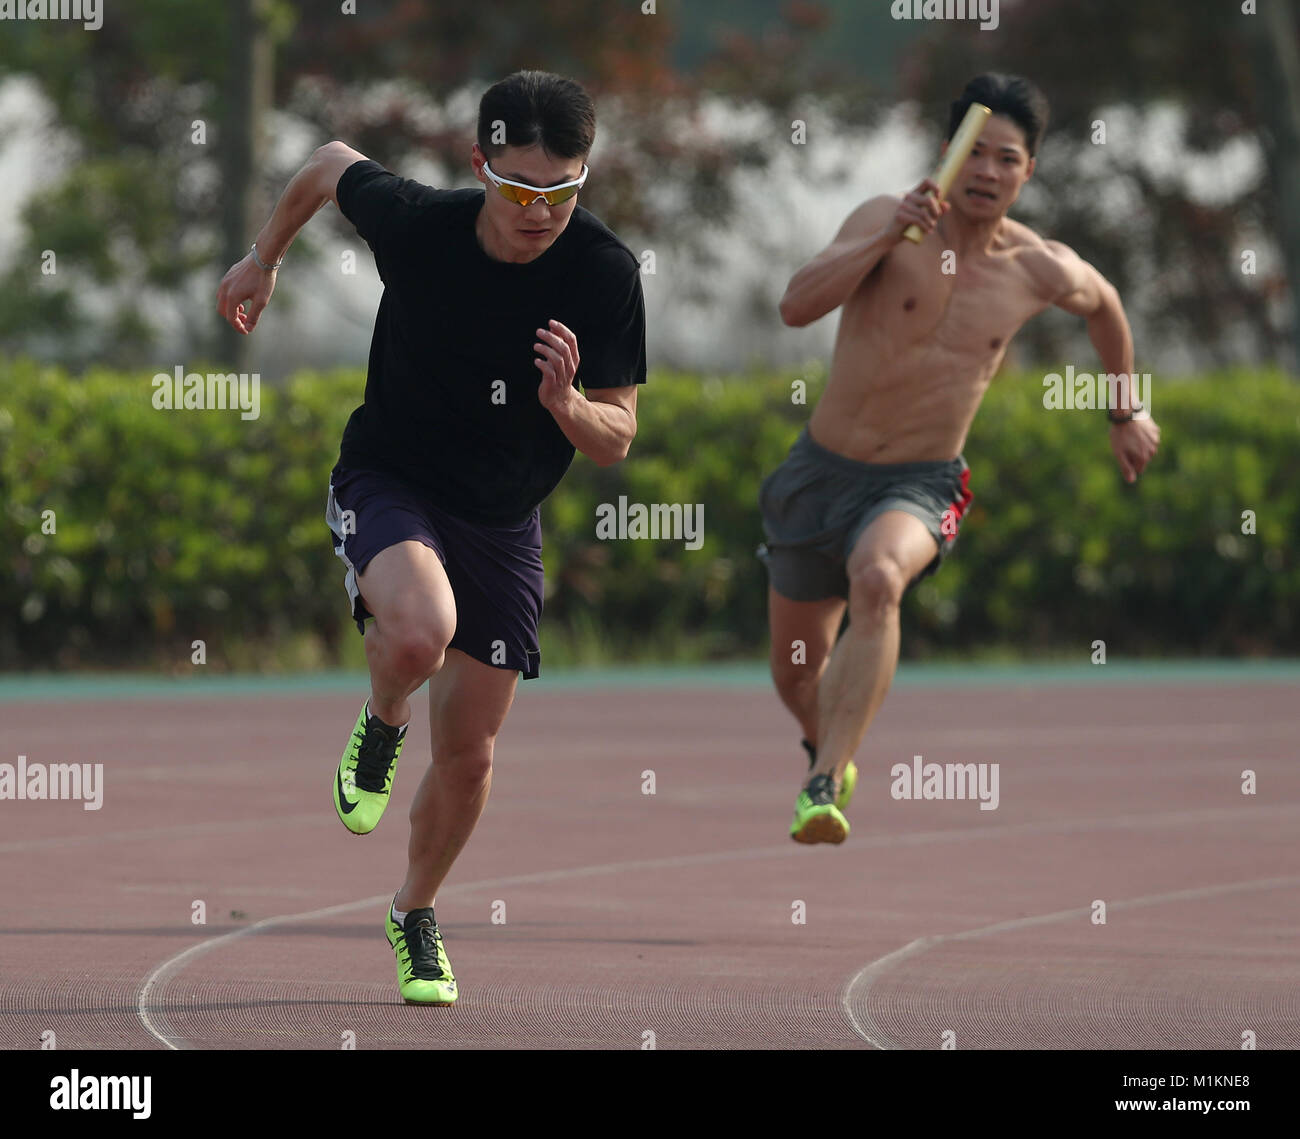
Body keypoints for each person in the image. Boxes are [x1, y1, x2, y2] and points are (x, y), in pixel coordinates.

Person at [216, 70, 647, 1002]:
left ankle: (414, 912)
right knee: (419, 632)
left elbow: (618, 435)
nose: (541, 211)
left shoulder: (605, 272)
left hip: (502, 515)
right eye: (522, 188)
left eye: (562, 191)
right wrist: (264, 258)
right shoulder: (419, 225)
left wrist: (568, 405)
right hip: (393, 477)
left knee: (473, 755)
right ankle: (381, 722)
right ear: (482, 164)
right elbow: (331, 164)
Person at [761, 73, 1160, 844]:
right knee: (795, 674)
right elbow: (796, 304)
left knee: (878, 580)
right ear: (946, 155)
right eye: (973, 153)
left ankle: (821, 783)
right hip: (818, 476)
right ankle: (831, 750)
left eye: (1006, 158)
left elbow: (1106, 306)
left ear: (1027, 172)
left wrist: (1124, 408)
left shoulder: (1036, 267)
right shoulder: (887, 220)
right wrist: (885, 238)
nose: (987, 171)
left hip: (919, 482)